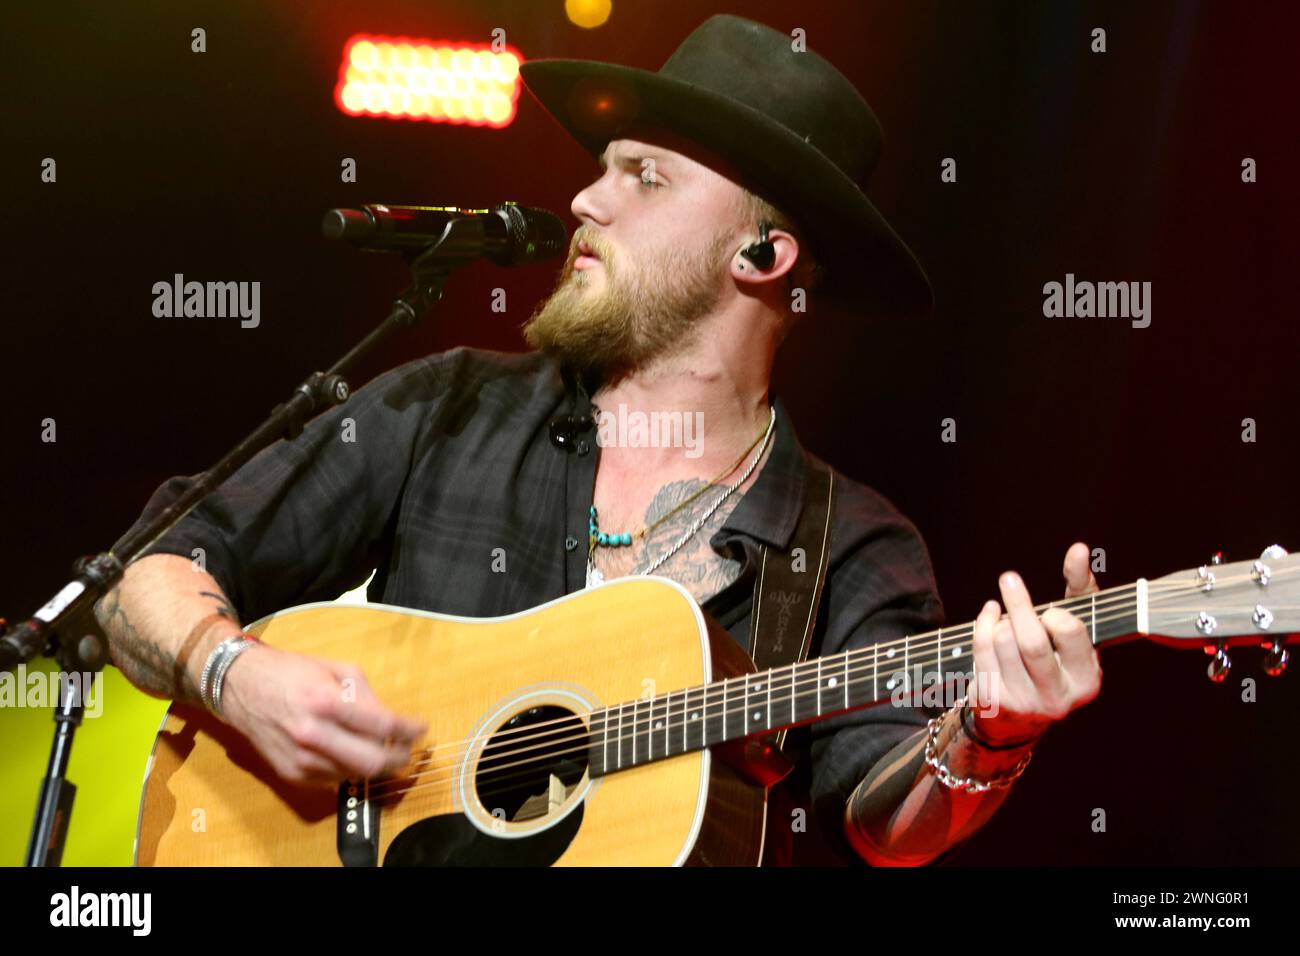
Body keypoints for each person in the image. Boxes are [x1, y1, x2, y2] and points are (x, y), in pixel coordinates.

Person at [95, 14, 1102, 866]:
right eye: (600, 171)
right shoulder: (448, 406)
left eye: (644, 177)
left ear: (764, 253)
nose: (584, 200)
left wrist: (989, 732)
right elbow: (149, 569)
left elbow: (889, 825)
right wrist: (240, 676)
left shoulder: (851, 543)